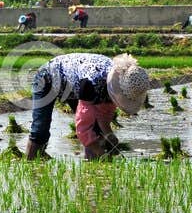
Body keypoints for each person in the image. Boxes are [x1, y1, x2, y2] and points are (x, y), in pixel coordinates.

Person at [24, 52, 152, 160]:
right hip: (47, 79)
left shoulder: (116, 83)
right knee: (40, 130)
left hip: (72, 84)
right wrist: (102, 155)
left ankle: (92, 166)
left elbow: (104, 114)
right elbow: (83, 128)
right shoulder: (92, 82)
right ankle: (29, 166)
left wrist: (109, 134)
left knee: (96, 131)